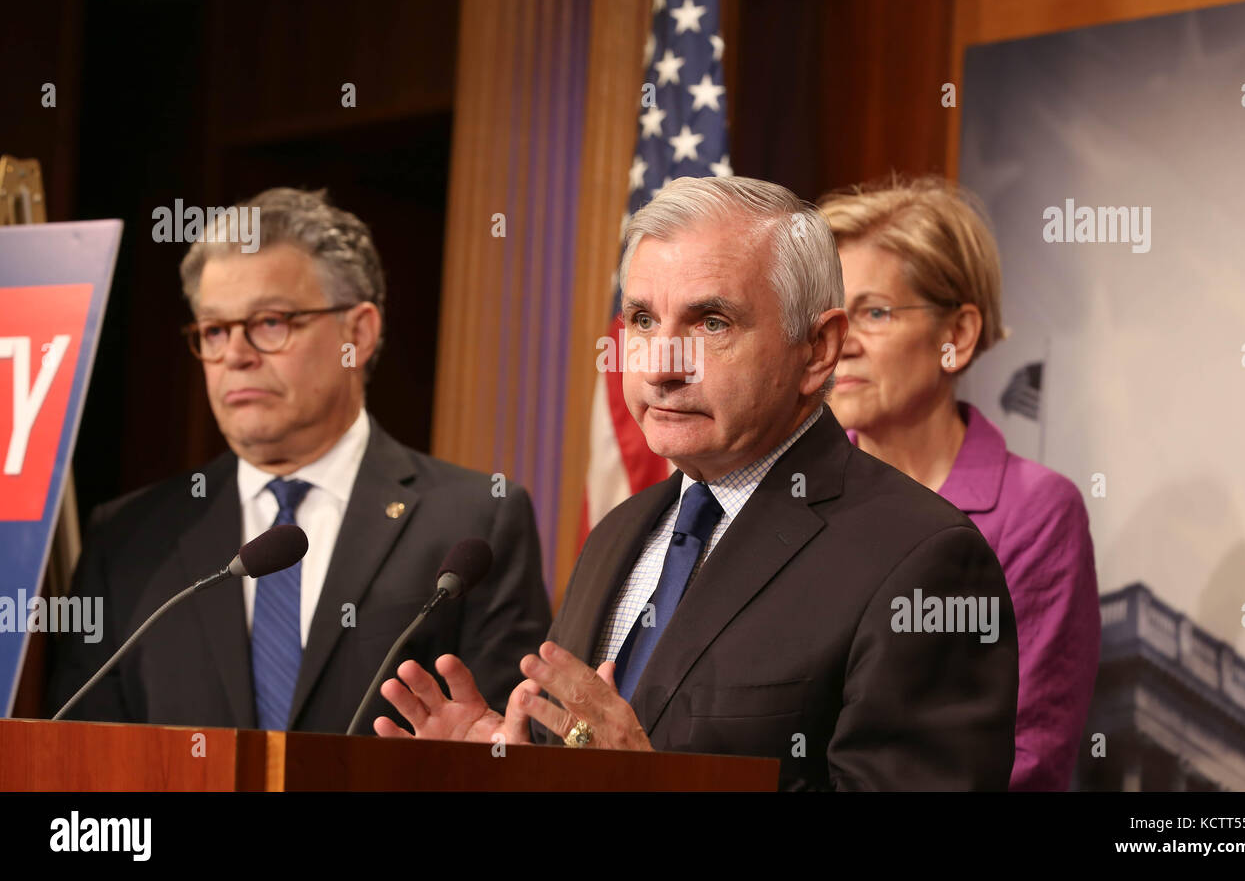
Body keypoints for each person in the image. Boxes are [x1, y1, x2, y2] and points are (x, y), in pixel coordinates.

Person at [373, 176, 1019, 790]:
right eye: (644, 321)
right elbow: (585, 759)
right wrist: (513, 769)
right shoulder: (618, 533)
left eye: (711, 323)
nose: (661, 366)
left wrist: (650, 786)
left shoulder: (922, 558)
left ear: (818, 349)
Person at [45, 187, 551, 734]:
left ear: (357, 333)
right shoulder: (128, 538)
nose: (236, 355)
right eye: (214, 331)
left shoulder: (475, 524)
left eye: (269, 322)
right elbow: (78, 753)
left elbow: (510, 742)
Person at [817, 175, 1100, 790]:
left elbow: (1029, 759)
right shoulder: (797, 497)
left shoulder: (1037, 513)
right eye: (833, 318)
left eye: (874, 312)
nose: (844, 345)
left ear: (958, 336)